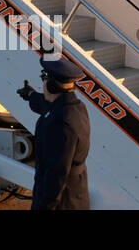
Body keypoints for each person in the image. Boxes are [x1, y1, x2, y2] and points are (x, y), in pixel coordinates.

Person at [17, 56, 90, 209]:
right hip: (75, 194)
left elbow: (56, 174)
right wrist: (31, 95)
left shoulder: (61, 124)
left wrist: (44, 206)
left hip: (61, 202)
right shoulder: (76, 107)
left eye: (44, 79)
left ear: (50, 85)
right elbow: (48, 107)